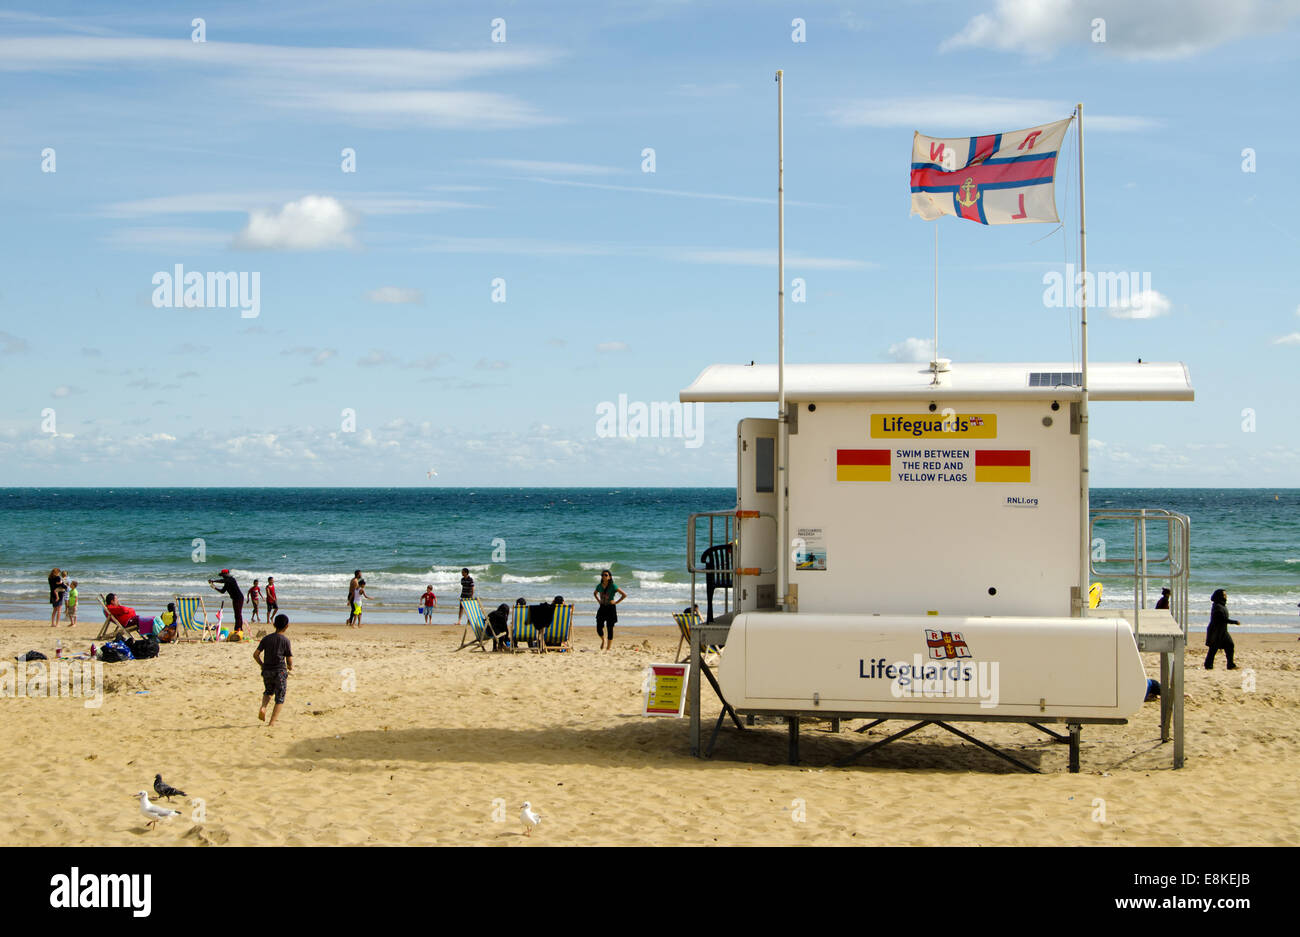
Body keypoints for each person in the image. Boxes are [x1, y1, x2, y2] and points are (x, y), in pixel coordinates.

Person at [254, 614, 293, 726]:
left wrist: (262, 664)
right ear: (287, 626)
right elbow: (289, 659)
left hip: (267, 671)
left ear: (274, 624)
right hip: (280, 671)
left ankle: (263, 707)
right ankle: (272, 722)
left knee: (268, 691)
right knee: (280, 698)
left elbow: (256, 654)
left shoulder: (266, 639)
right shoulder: (285, 641)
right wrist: (290, 667)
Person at [1205, 588, 1239, 670]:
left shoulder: (1221, 605)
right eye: (1224, 595)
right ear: (1219, 596)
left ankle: (1230, 664)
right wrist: (1234, 622)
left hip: (1222, 631)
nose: (1226, 596)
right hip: (1215, 632)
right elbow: (1222, 619)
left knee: (1230, 646)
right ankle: (1208, 665)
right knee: (1213, 649)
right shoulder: (1217, 607)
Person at [593, 570, 626, 651]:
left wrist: (616, 602)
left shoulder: (613, 586)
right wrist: (599, 601)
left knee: (609, 628)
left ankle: (608, 648)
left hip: (610, 608)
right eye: (602, 575)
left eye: (606, 575)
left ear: (609, 577)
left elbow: (624, 595)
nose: (604, 576)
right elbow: (595, 593)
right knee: (599, 627)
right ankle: (603, 640)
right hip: (602, 607)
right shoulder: (599, 586)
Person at [209, 569, 245, 633]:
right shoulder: (227, 582)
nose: (223, 577)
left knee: (238, 614)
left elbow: (223, 581)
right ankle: (238, 628)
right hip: (235, 599)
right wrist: (214, 587)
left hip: (239, 598)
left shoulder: (231, 579)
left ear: (226, 574)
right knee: (237, 614)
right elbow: (222, 591)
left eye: (223, 575)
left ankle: (238, 628)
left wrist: (213, 581)